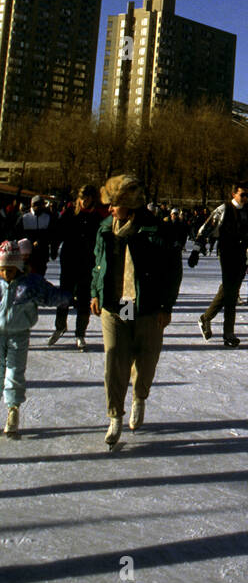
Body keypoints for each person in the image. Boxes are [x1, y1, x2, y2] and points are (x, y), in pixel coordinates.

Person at [90, 175, 182, 446]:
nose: (110, 210)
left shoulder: (156, 231)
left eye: (114, 205)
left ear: (130, 205)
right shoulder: (106, 228)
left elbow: (171, 271)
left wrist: (166, 305)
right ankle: (114, 416)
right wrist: (95, 292)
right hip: (115, 304)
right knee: (115, 359)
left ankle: (139, 396)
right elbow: (97, 262)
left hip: (145, 305)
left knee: (145, 360)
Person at [0, 240, 69, 436]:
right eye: (2, 269)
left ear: (18, 267)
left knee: (14, 372)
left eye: (10, 269)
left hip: (19, 335)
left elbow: (49, 295)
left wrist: (69, 297)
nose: (6, 274)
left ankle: (13, 409)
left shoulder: (29, 284)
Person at [192, 182, 248, 347]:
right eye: (242, 195)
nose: (245, 198)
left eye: (247, 195)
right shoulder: (223, 209)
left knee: (229, 289)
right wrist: (196, 250)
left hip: (241, 252)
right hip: (226, 251)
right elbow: (206, 228)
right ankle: (228, 332)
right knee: (231, 292)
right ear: (233, 194)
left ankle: (206, 318)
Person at [48, 184, 104, 350]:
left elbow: (101, 240)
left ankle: (80, 333)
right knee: (64, 295)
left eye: (87, 199)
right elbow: (57, 232)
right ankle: (60, 326)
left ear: (93, 199)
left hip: (88, 264)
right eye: (82, 199)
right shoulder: (70, 214)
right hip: (69, 261)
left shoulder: (96, 217)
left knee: (83, 299)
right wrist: (53, 248)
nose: (84, 202)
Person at [15, 195, 57, 277]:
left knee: (40, 274)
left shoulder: (48, 217)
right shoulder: (24, 217)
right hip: (27, 253)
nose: (38, 207)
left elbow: (53, 235)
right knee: (27, 274)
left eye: (41, 205)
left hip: (42, 252)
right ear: (32, 205)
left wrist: (53, 250)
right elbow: (17, 234)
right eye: (36, 205)